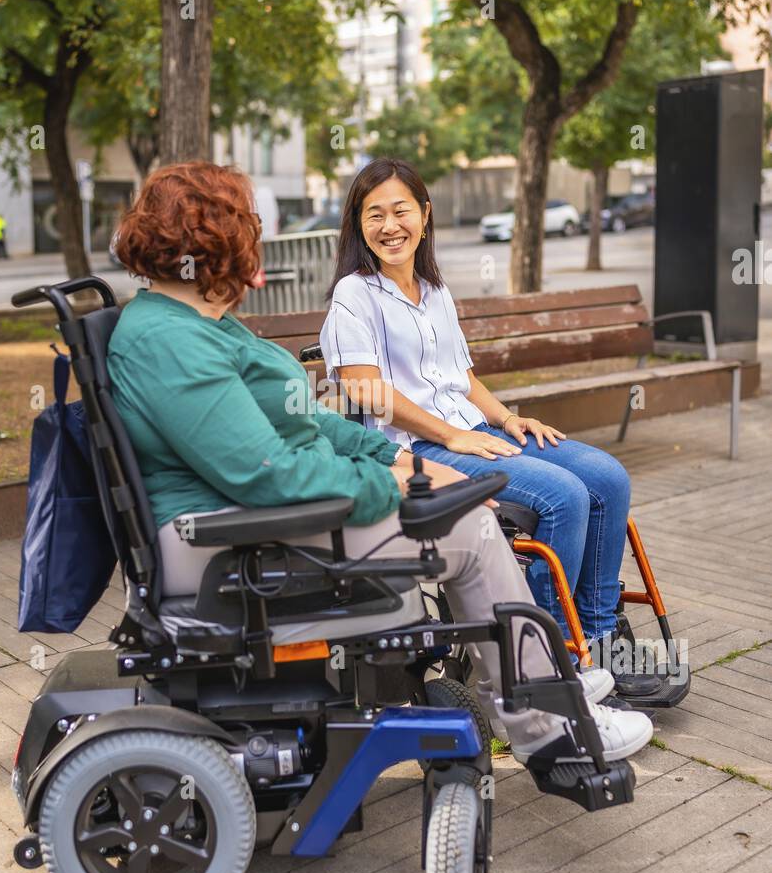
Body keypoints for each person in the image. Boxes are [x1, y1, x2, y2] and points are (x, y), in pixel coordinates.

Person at [106, 160, 652, 768]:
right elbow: (267, 476)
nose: (254, 243)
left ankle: (546, 684)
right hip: (222, 545)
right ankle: (544, 719)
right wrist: (397, 483)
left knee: (494, 508)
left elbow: (312, 421)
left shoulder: (199, 324)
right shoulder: (173, 340)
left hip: (255, 521)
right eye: (247, 227)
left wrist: (395, 456)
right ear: (217, 242)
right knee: (469, 531)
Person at [320, 157, 660, 700]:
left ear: (425, 215)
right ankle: (548, 663)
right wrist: (450, 435)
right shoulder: (354, 295)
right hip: (417, 448)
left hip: (473, 427)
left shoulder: (434, 290)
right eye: (374, 214)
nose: (390, 226)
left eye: (401, 211)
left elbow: (463, 378)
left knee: (608, 477)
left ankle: (595, 638)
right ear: (357, 224)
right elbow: (366, 391)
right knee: (564, 497)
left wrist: (507, 418)